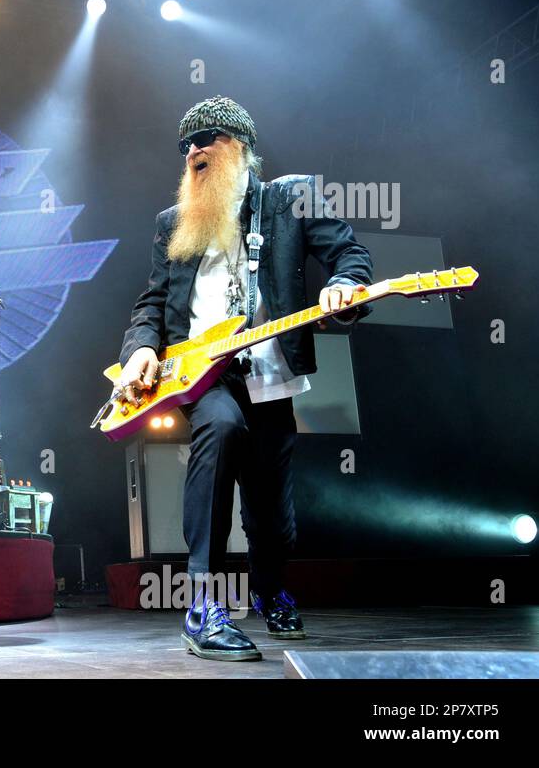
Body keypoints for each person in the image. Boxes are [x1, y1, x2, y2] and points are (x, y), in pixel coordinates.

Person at [116, 96, 372, 661]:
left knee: (272, 515)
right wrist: (139, 349)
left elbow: (351, 256)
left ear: (240, 148)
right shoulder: (172, 224)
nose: (194, 150)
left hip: (270, 376)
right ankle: (202, 605)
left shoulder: (290, 198)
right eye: (186, 144)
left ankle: (270, 588)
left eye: (206, 138)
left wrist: (343, 287)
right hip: (203, 377)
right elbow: (152, 304)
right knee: (222, 429)